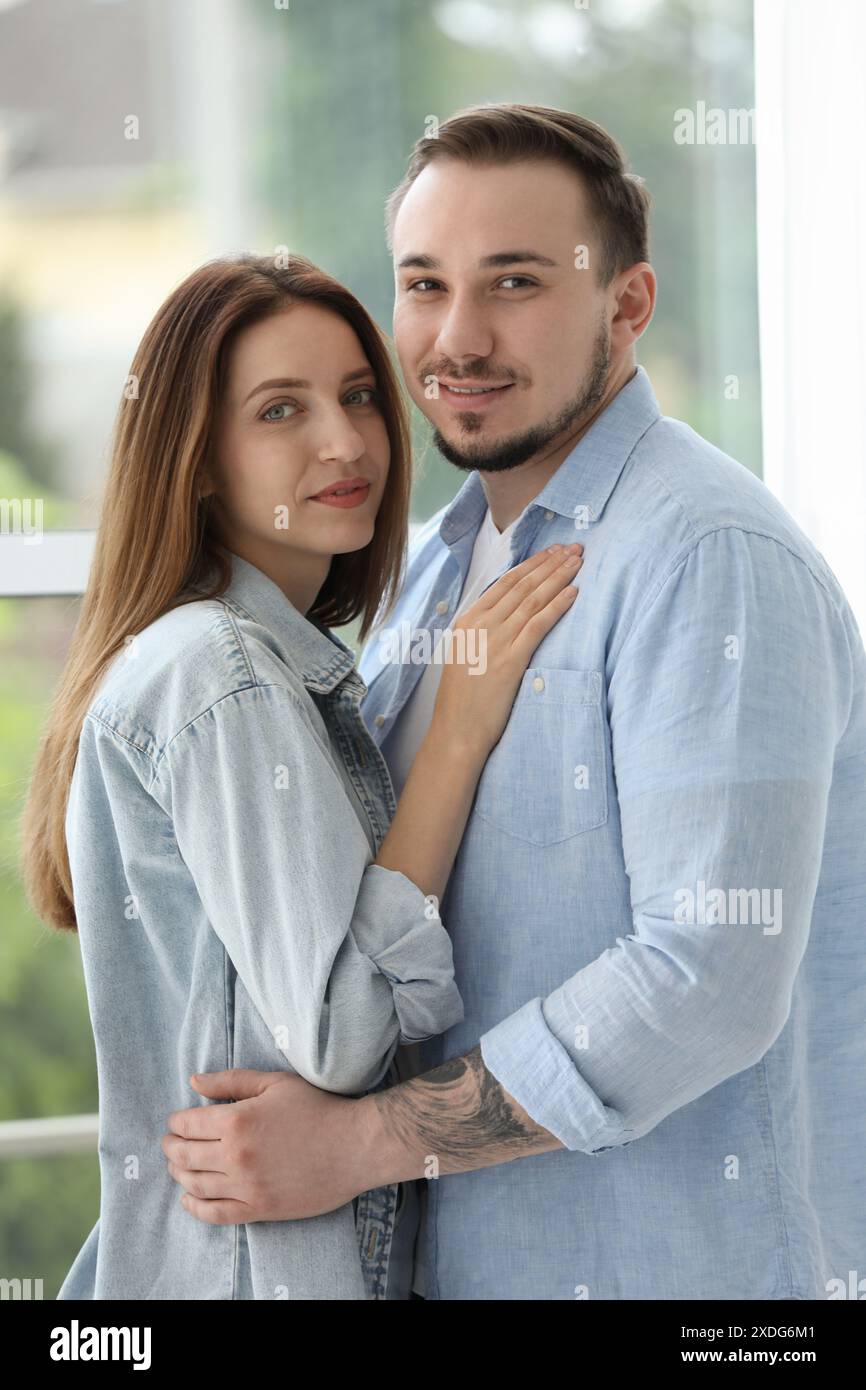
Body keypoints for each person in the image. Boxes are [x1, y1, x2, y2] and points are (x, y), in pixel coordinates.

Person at [164, 105, 866, 1302]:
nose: (457, 337)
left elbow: (706, 973)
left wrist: (358, 1145)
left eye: (515, 282)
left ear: (627, 304)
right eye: (425, 284)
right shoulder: (436, 561)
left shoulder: (703, 556)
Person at [19, 250, 583, 1299]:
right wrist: (455, 734)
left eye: (358, 395)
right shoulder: (221, 670)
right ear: (196, 460)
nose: (344, 441)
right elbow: (340, 1033)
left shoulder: (242, 665)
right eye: (280, 411)